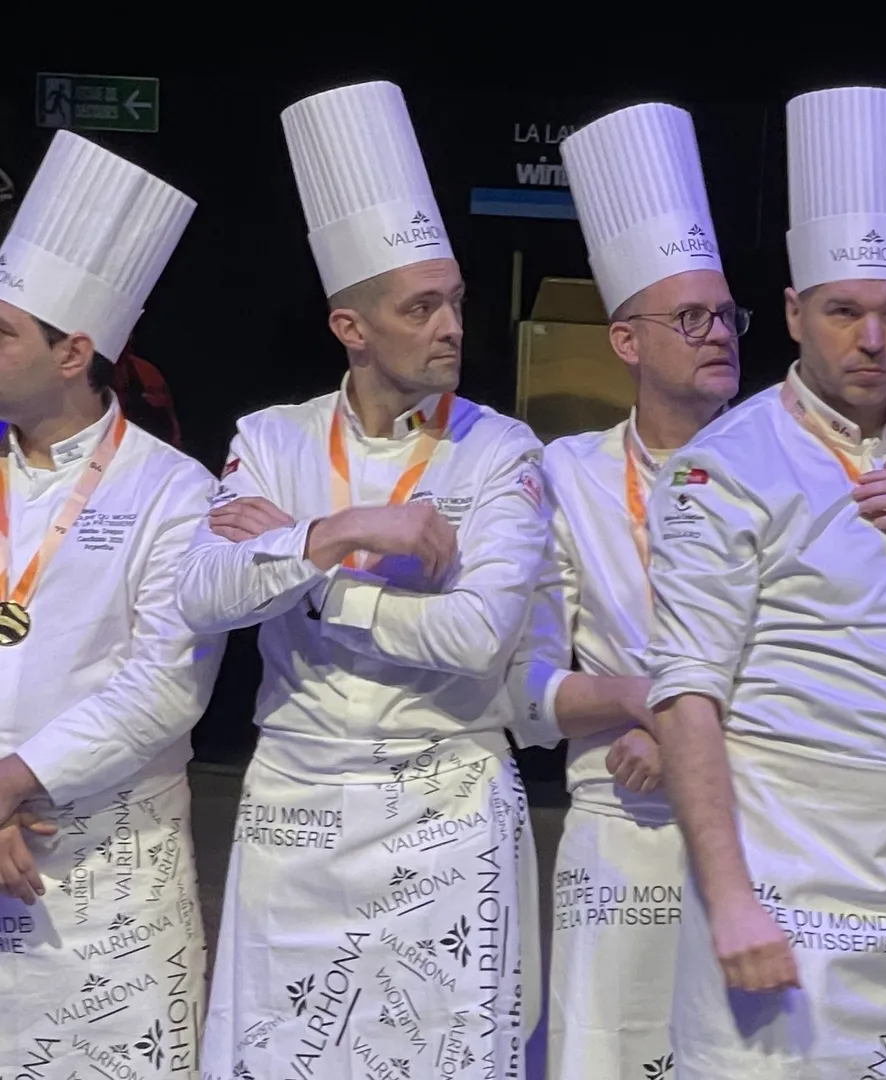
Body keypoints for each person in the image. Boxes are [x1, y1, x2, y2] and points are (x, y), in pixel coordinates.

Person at [639, 85, 886, 1078]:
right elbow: (685, 699)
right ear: (798, 313)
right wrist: (726, 897)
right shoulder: (724, 466)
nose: (873, 339)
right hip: (788, 884)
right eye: (845, 312)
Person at [181, 81, 548, 1080]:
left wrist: (315, 575)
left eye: (455, 302)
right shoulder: (272, 436)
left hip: (448, 812)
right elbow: (205, 593)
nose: (449, 326)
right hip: (297, 810)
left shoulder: (502, 451)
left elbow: (478, 638)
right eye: (420, 306)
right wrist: (346, 526)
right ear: (352, 327)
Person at [506, 101, 744, 1080]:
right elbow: (523, 689)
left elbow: (823, 664)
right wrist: (636, 703)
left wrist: (686, 727)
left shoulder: (789, 468)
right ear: (625, 341)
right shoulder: (567, 476)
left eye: (727, 314)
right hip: (619, 840)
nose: (718, 334)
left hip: (765, 830)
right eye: (689, 318)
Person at [0, 131, 221, 1075]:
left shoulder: (176, 490)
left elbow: (165, 686)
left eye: (2, 331)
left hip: (108, 876)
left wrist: (11, 783)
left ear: (72, 351)